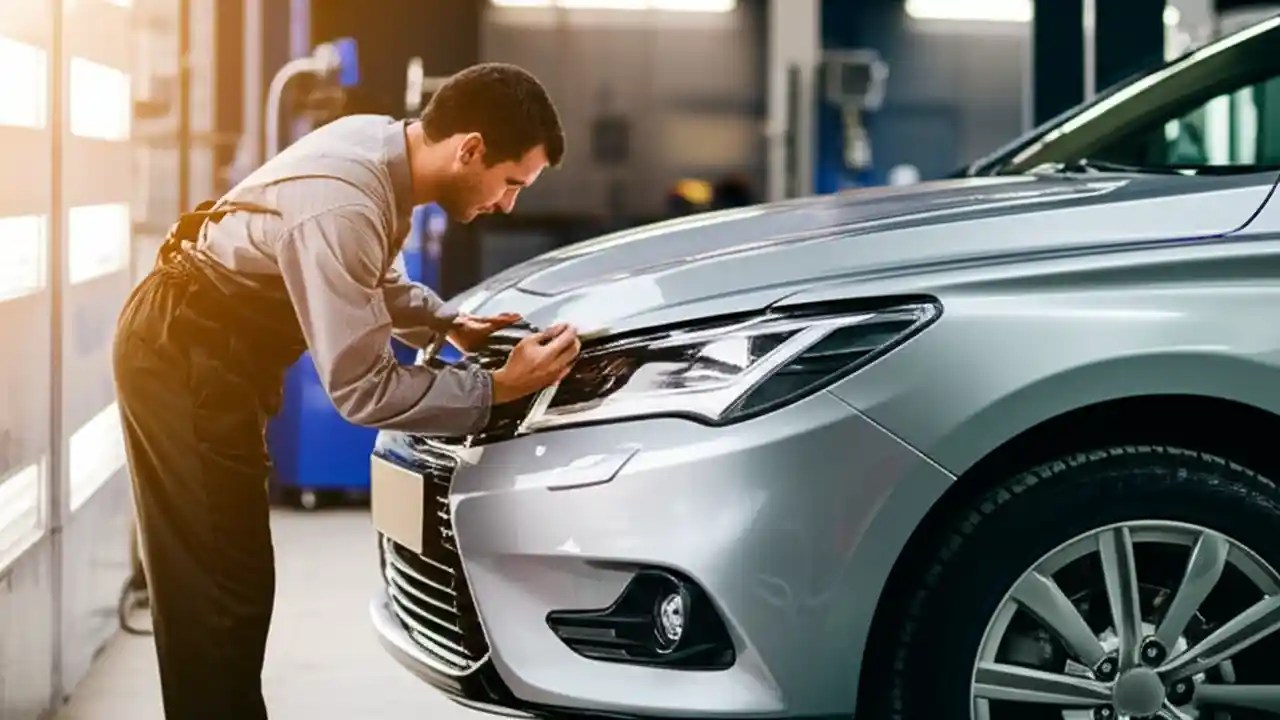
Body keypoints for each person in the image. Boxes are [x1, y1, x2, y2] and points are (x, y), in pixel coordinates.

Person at [112, 62, 579, 720]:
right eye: (510, 184)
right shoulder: (347, 202)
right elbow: (362, 389)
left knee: (225, 585)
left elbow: (372, 278)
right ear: (469, 149)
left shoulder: (378, 146)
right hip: (183, 351)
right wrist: (496, 388)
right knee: (218, 594)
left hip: (200, 346)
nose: (507, 205)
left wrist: (446, 321)